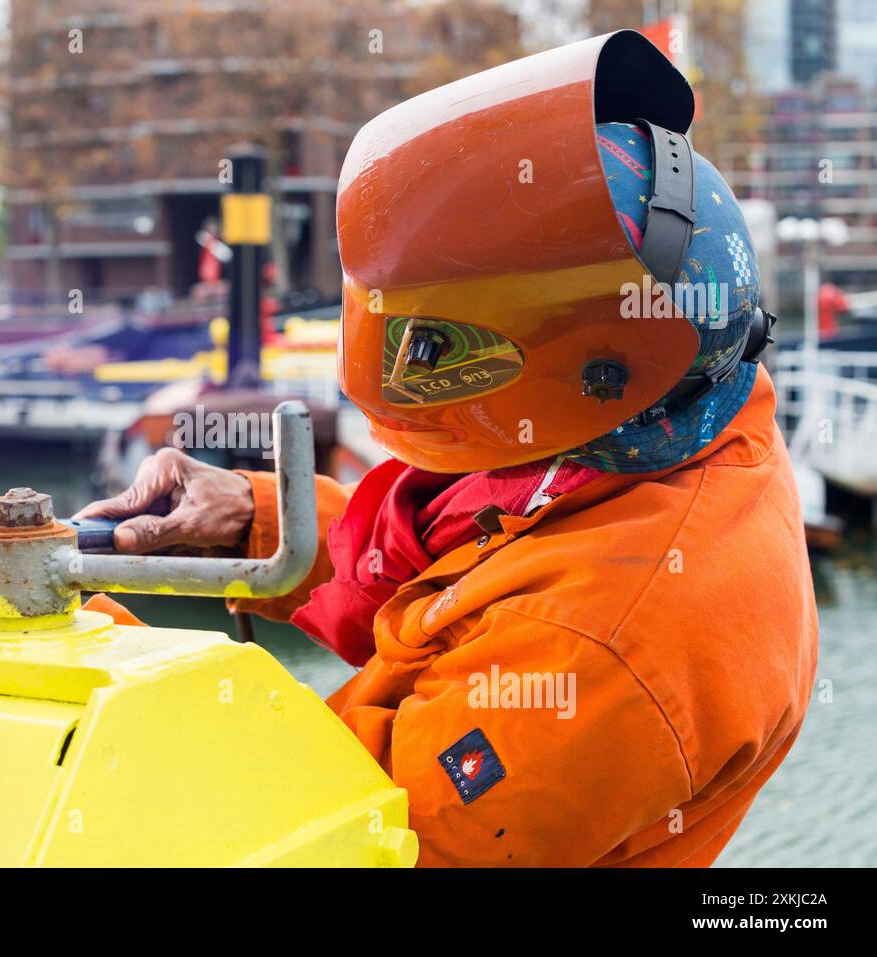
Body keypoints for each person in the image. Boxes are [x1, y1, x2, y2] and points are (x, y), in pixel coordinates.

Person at [72, 32, 818, 866]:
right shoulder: (671, 407)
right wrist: (260, 517)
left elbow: (330, 837)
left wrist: (89, 649)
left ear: (591, 370)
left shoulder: (600, 650)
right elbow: (457, 568)